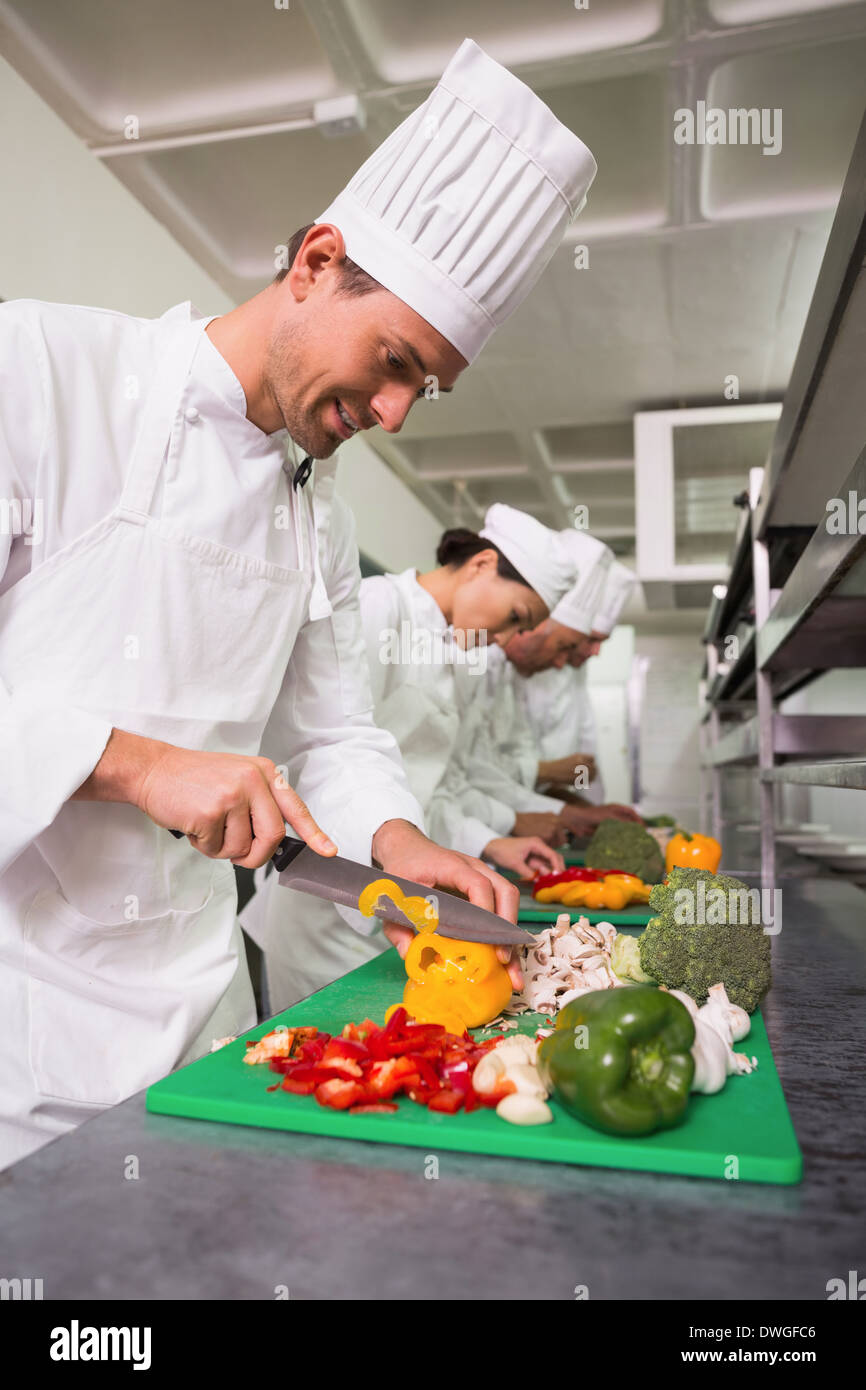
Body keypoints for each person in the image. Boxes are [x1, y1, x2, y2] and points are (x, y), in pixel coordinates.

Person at [0, 38, 597, 1167]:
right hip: (18, 1047)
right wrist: (131, 761)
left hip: (206, 1025)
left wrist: (397, 839)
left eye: (420, 384)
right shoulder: (40, 371)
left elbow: (328, 730)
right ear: (317, 260)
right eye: (392, 360)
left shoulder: (316, 510)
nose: (395, 409)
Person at [249, 506, 575, 1009]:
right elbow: (326, 748)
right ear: (482, 564)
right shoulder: (378, 608)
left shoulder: (458, 652)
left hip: (404, 890)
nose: (508, 640)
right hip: (328, 899)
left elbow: (434, 784)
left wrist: (489, 840)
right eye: (514, 617)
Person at [426, 532, 640, 850]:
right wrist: (531, 803)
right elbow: (454, 775)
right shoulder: (456, 652)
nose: (561, 663)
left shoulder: (504, 672)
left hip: (467, 836)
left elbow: (465, 774)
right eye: (566, 646)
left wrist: (563, 811)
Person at [525, 562, 639, 806]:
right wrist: (547, 777)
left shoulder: (575, 673)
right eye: (590, 640)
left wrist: (590, 807)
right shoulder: (524, 668)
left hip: (552, 805)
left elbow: (585, 745)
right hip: (517, 812)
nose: (595, 652)